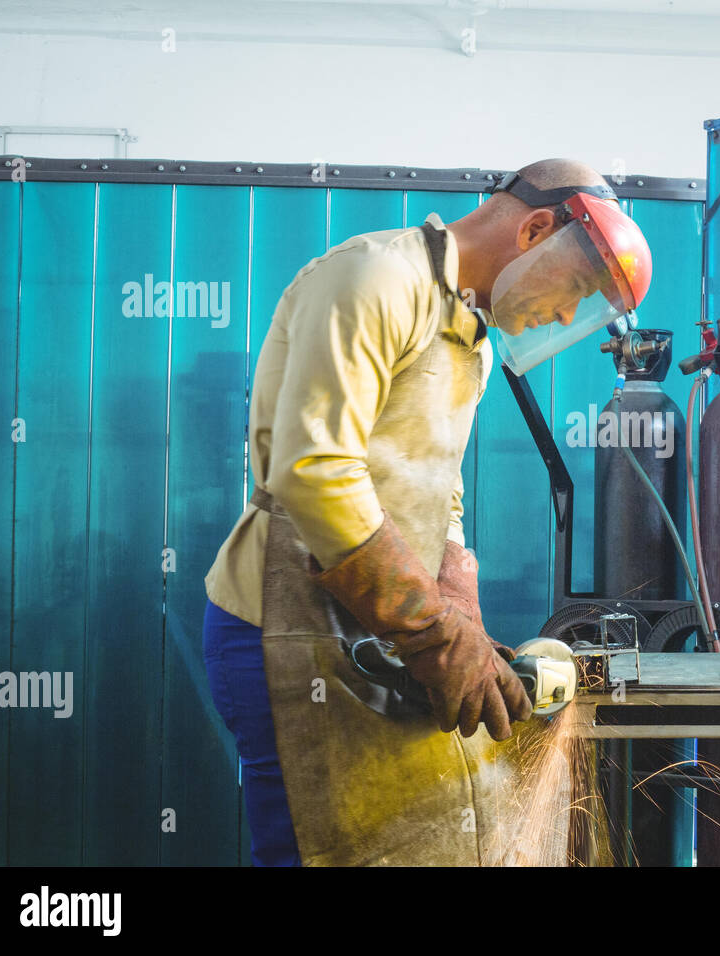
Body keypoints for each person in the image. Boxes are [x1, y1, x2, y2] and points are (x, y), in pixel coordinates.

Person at [200, 158, 652, 866]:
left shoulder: (466, 337)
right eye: (575, 292)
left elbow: (438, 491)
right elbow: (313, 470)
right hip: (286, 626)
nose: (567, 316)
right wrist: (437, 636)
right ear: (535, 230)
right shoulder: (376, 279)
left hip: (384, 622)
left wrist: (459, 605)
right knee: (320, 846)